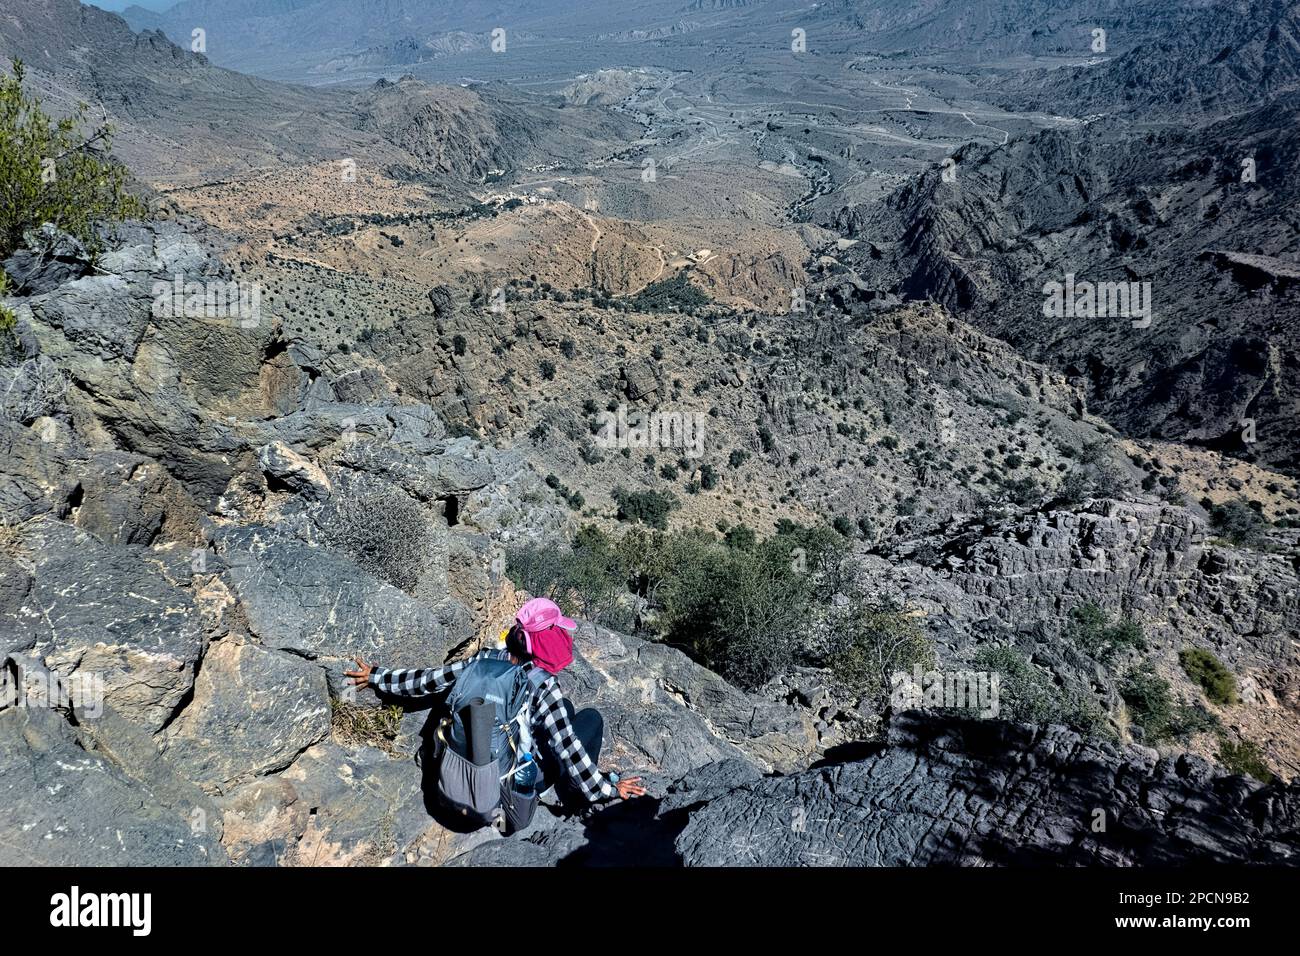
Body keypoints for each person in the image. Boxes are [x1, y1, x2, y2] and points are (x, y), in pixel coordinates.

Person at [345, 597, 646, 810]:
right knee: (590, 718)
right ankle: (575, 794)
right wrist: (607, 788)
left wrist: (376, 676)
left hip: (468, 769)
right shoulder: (544, 686)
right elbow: (568, 747)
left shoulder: (481, 660)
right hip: (514, 784)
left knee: (564, 709)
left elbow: (426, 680)